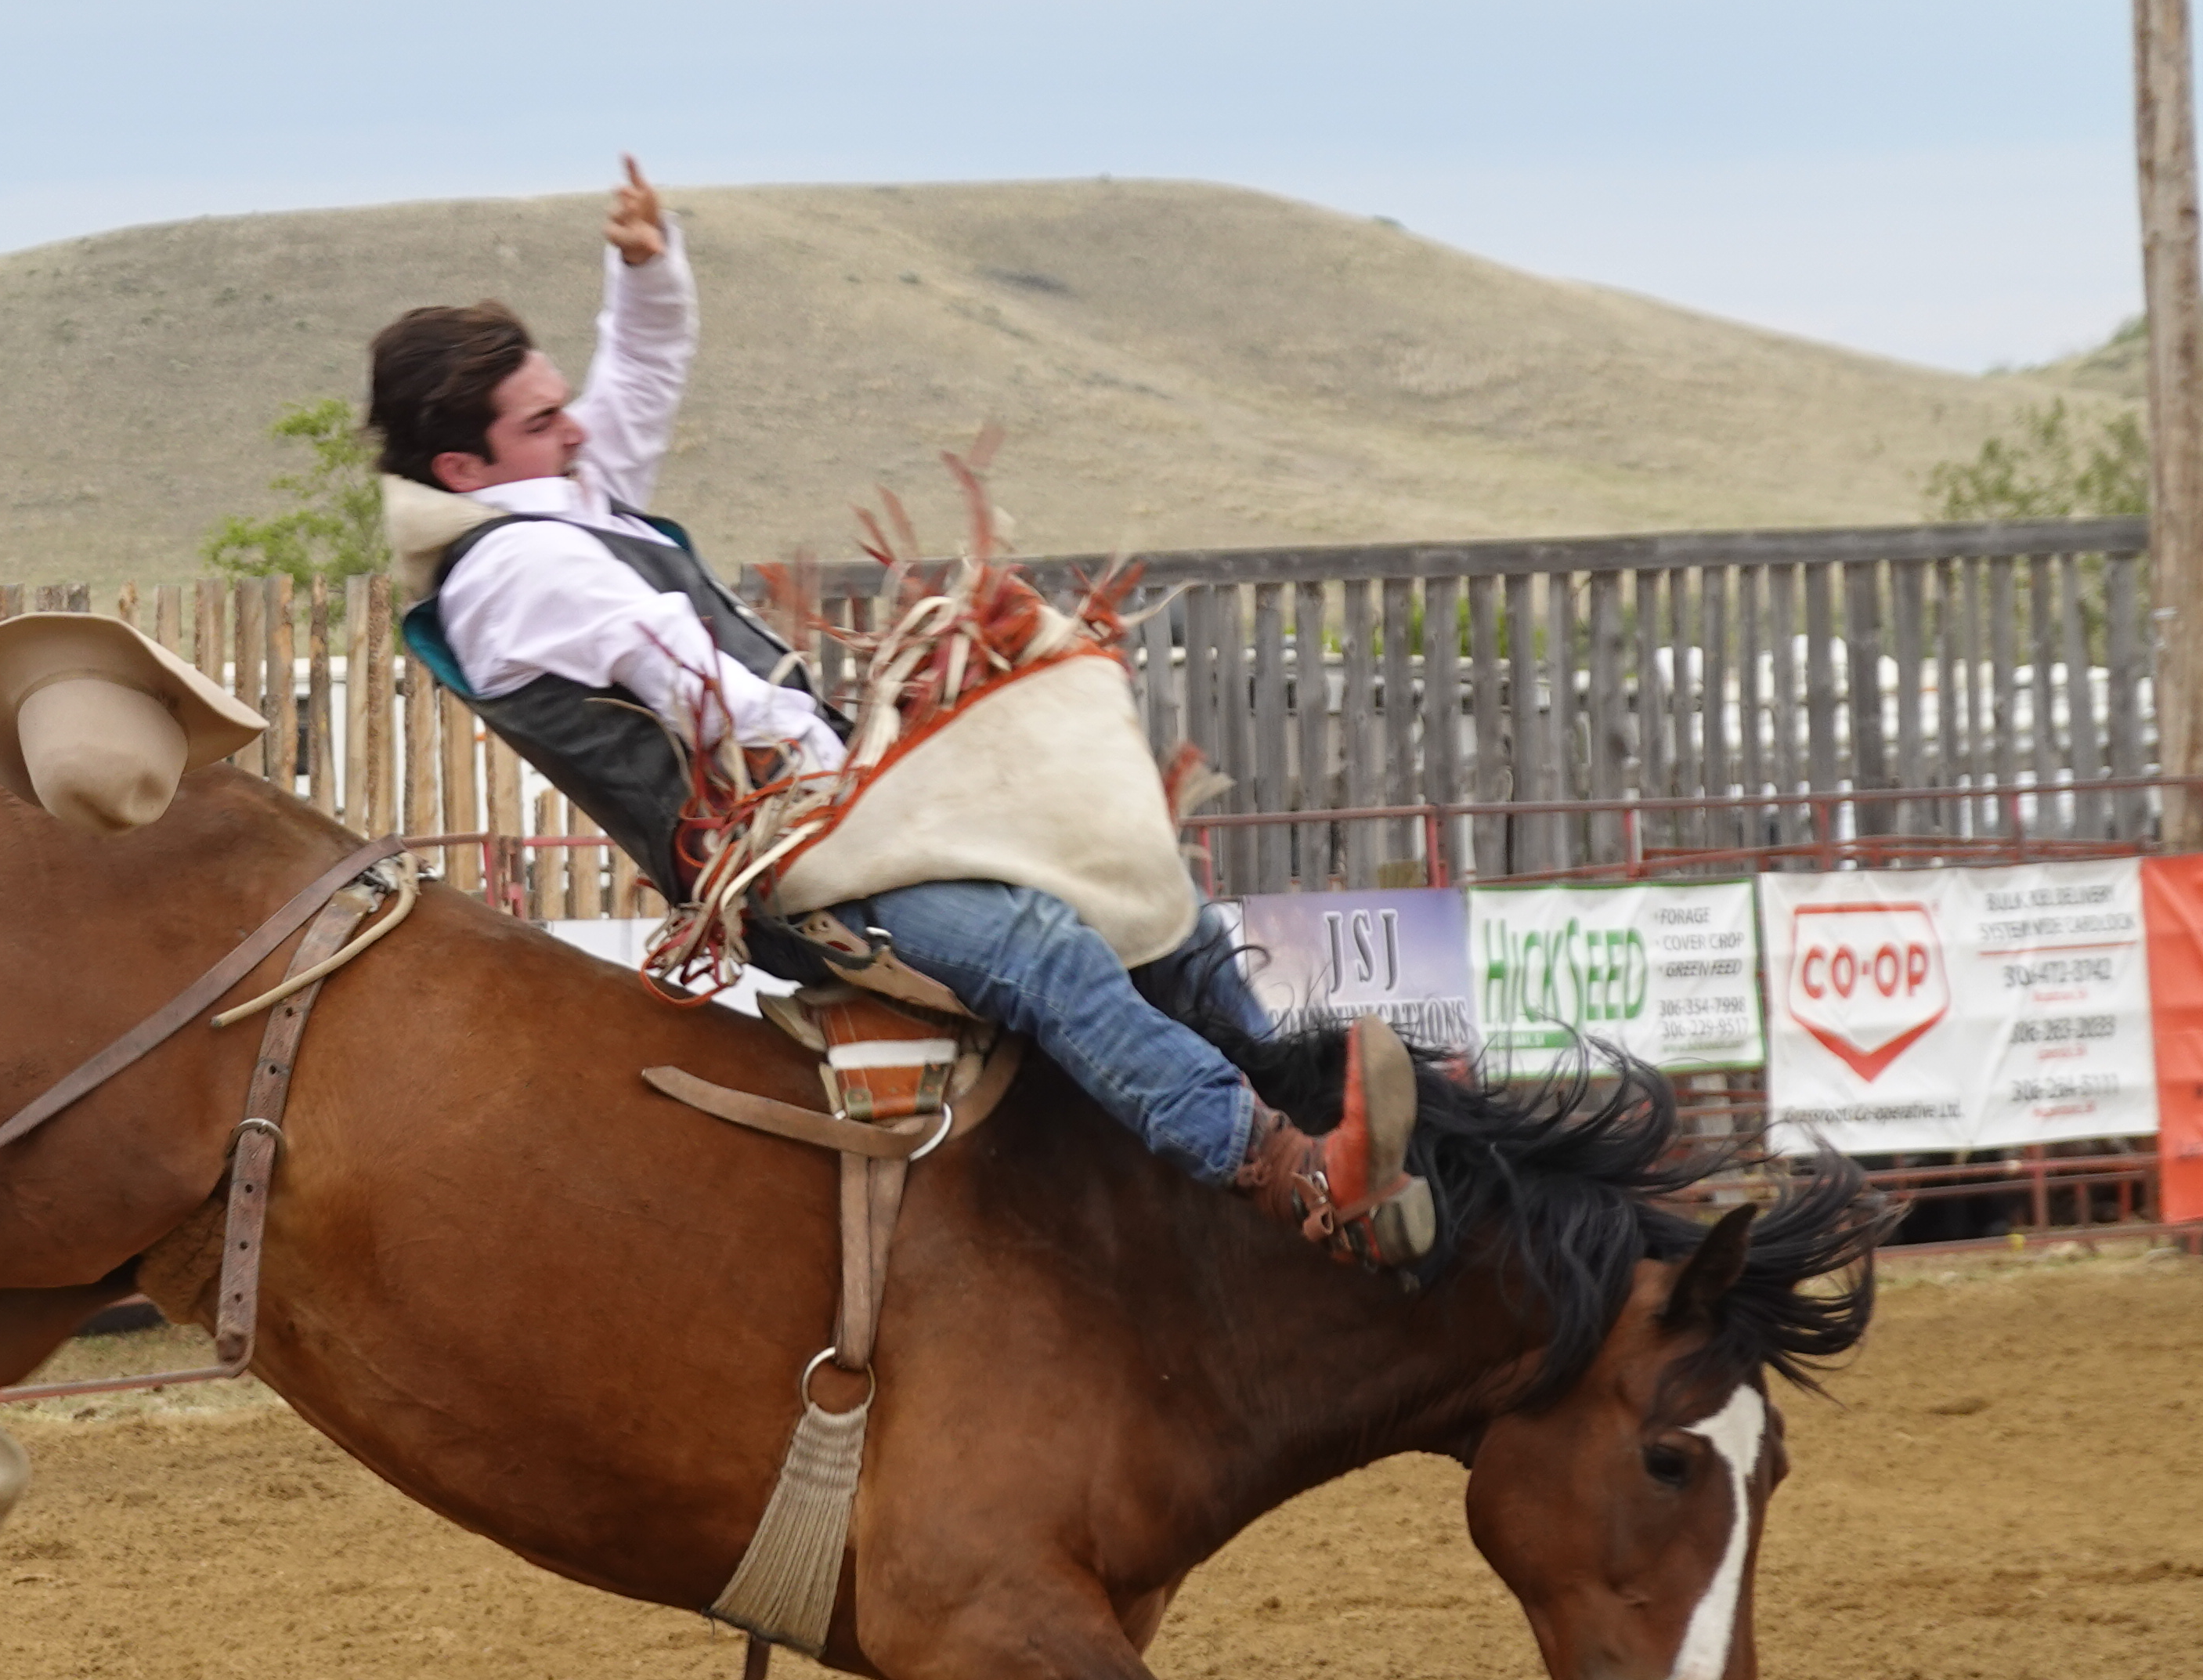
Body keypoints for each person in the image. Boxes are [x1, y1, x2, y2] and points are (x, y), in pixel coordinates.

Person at [369, 161, 1421, 1264]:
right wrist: (866, 772)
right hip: (784, 867)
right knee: (1042, 948)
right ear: (462, 464)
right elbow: (692, 677)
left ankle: (1300, 1093)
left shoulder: (547, 502)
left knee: (1129, 868)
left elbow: (634, 385)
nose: (575, 427)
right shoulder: (514, 571)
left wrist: (642, 272)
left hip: (838, 817)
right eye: (543, 418)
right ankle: (1283, 1173)